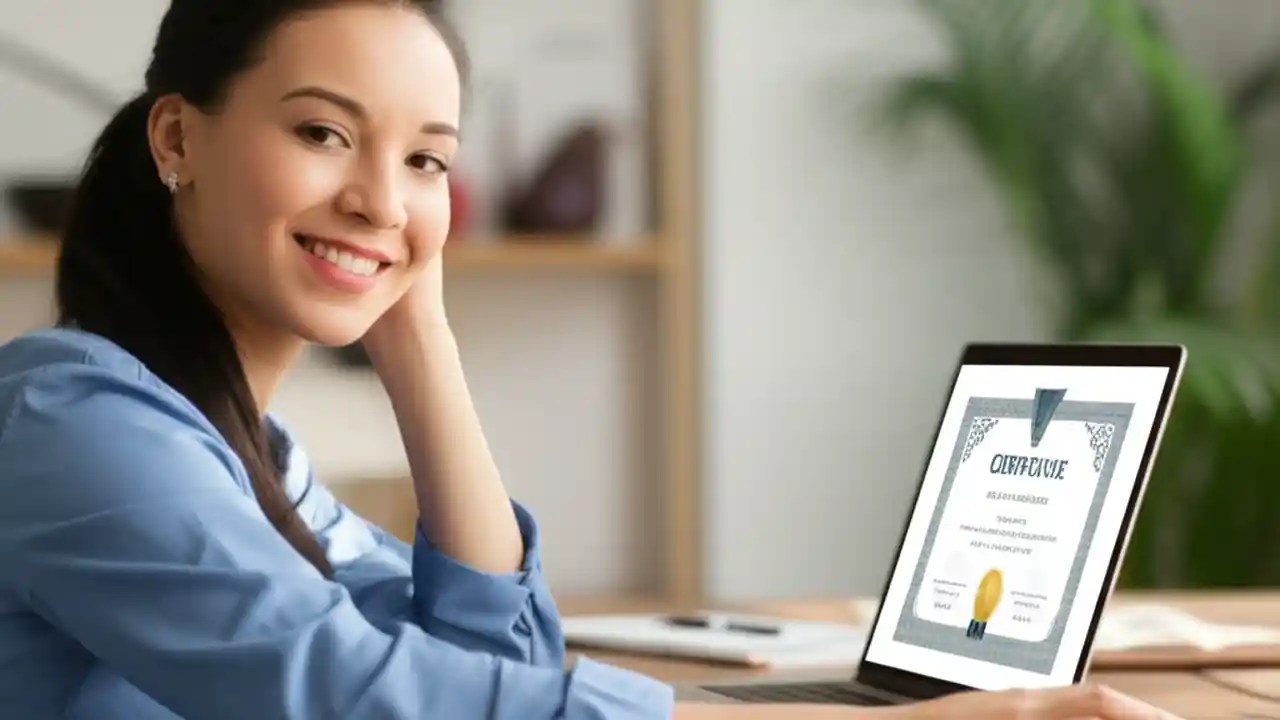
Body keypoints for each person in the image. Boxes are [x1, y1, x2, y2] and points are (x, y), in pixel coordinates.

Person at [0, 1, 1180, 718]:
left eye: (425, 161)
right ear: (176, 137)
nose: (378, 197)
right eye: (324, 133)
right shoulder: (74, 427)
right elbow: (346, 698)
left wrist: (422, 338)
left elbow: (493, 664)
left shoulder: (251, 456)